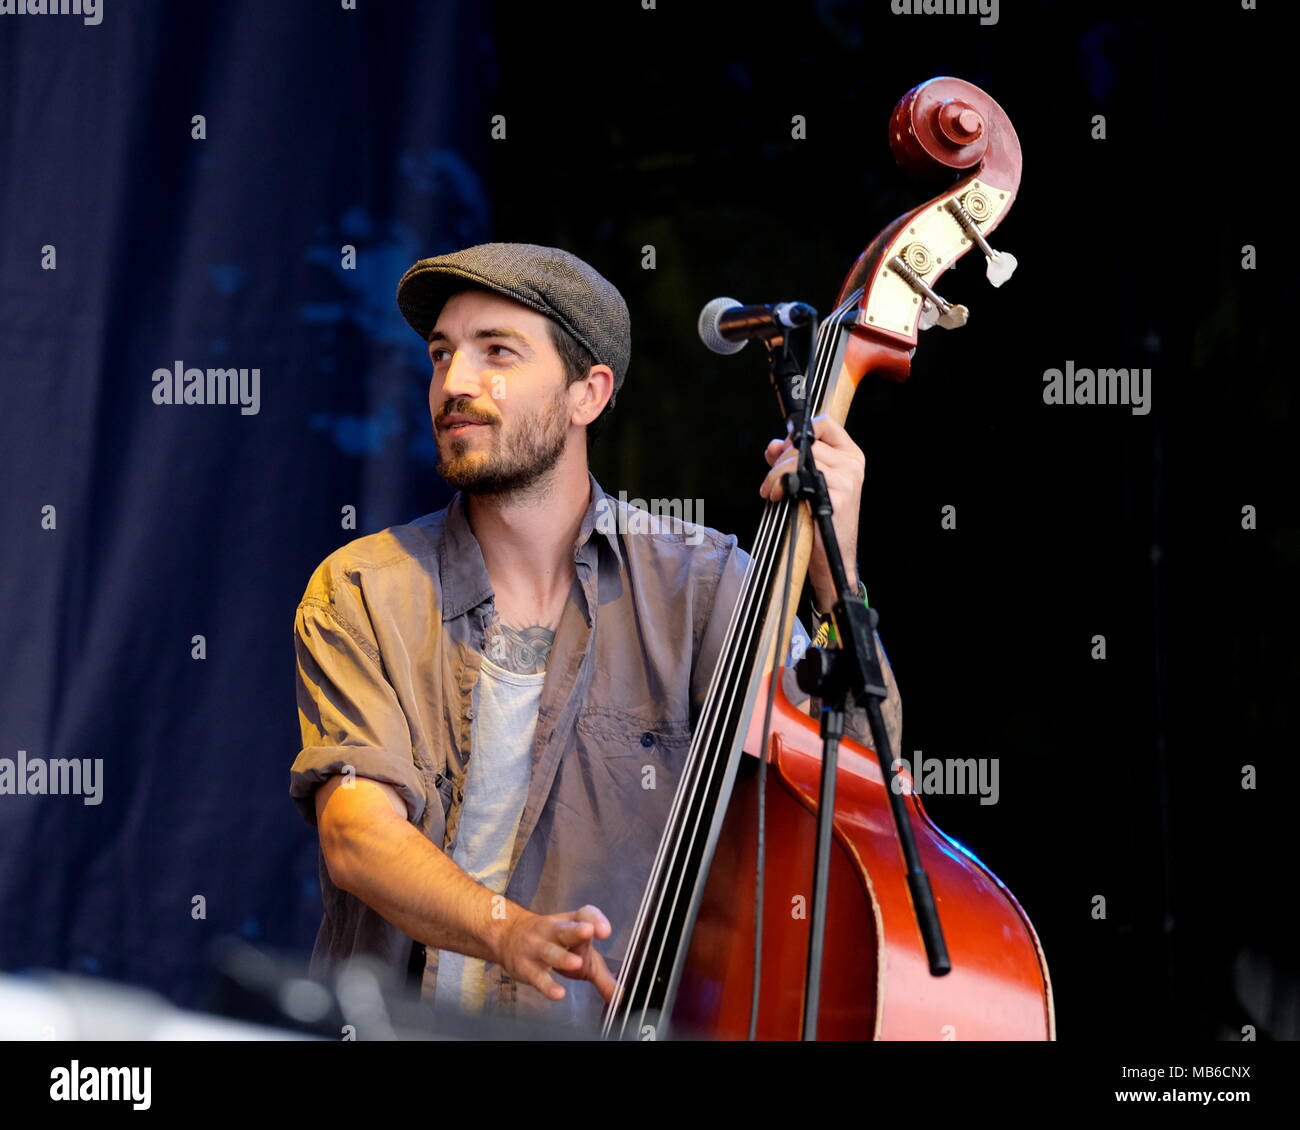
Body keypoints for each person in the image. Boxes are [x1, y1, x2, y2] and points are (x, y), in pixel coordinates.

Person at [289, 242, 901, 1031]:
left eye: (497, 352)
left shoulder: (703, 587)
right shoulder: (365, 588)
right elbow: (357, 833)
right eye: (442, 355)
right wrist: (508, 933)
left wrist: (834, 573)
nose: (455, 383)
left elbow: (857, 774)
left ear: (589, 393)